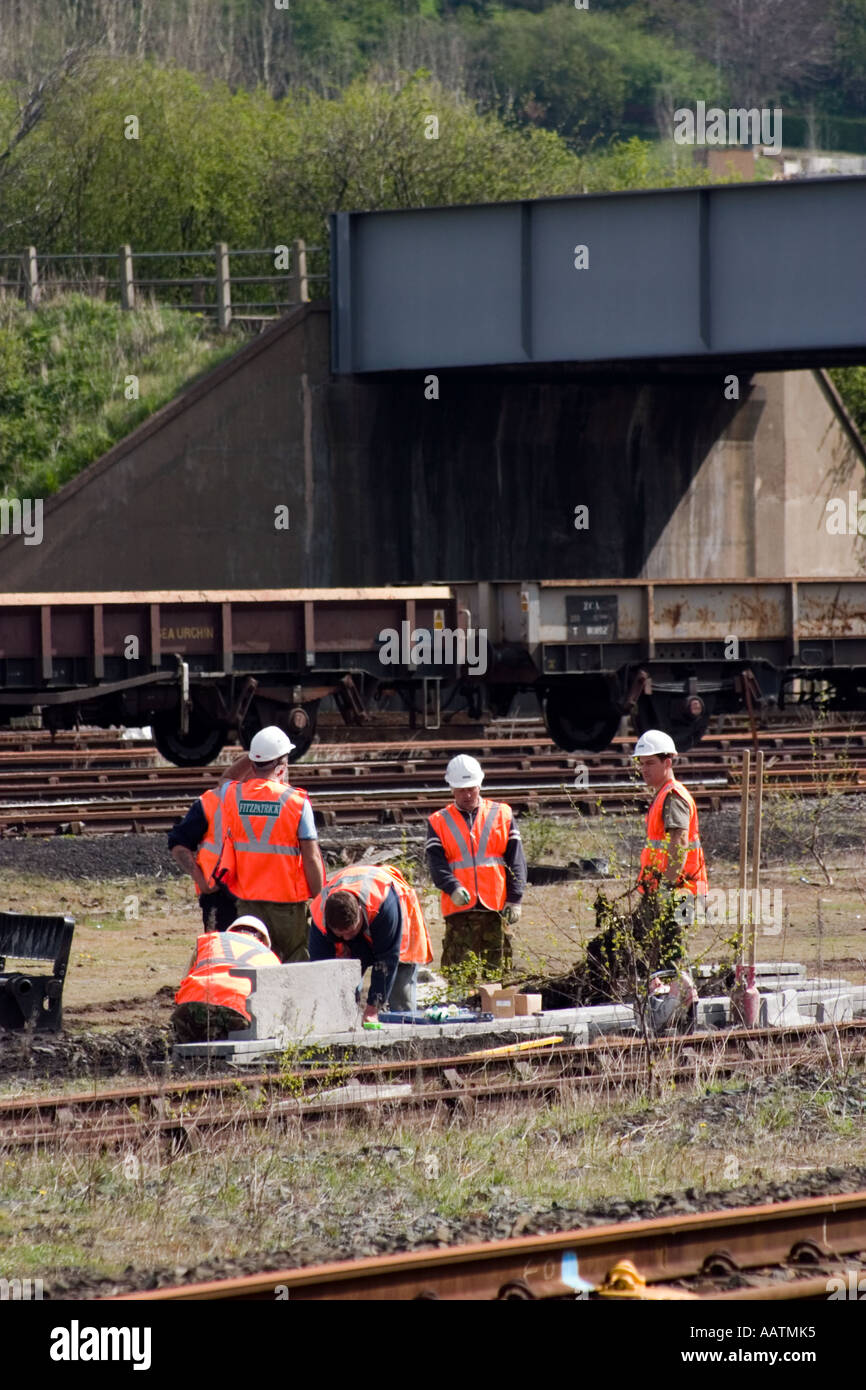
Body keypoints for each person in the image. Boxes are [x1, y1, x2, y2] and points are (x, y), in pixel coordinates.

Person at [213, 726, 325, 963]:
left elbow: (225, 779)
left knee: (253, 964)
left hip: (248, 906)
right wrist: (320, 900)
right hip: (288, 907)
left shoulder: (234, 795)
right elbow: (312, 858)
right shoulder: (296, 802)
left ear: (253, 764)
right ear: (282, 765)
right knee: (296, 962)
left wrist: (254, 755)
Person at [425, 754, 526, 974]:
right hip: (460, 909)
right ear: (451, 789)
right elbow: (436, 865)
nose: (467, 794)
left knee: (498, 974)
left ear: (480, 784)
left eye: (471, 788)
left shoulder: (503, 814)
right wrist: (452, 887)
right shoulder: (438, 821)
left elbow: (516, 860)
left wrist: (515, 898)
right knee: (459, 975)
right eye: (461, 790)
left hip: (496, 907)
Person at [308, 863, 432, 1024]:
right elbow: (321, 970)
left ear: (360, 912)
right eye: (340, 935)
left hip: (396, 925)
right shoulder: (319, 920)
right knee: (344, 988)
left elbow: (387, 961)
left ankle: (407, 1041)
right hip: (362, 931)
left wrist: (373, 1008)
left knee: (400, 993)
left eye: (350, 933)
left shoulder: (385, 906)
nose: (346, 938)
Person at [634, 728, 707, 970]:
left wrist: (667, 886)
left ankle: (678, 1000)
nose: (644, 769)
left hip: (678, 891)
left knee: (671, 954)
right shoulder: (663, 795)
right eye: (641, 764)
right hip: (670, 889)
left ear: (667, 762)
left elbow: (680, 842)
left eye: (650, 763)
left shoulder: (673, 796)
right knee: (662, 950)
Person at [167, 748, 252, 932]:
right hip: (219, 894)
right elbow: (178, 841)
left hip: (256, 893)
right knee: (221, 950)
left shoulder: (267, 800)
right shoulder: (211, 802)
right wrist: (200, 879)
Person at [172, 915, 281, 1042]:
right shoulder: (270, 957)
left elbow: (185, 978)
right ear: (263, 941)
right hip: (239, 1011)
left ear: (231, 932)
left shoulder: (210, 940)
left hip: (192, 1004)